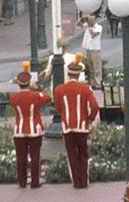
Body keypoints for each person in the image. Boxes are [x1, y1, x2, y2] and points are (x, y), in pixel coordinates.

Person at [53, 56, 99, 188]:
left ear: (68, 74)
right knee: (83, 153)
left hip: (67, 126)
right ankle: (84, 181)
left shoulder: (59, 89)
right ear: (79, 75)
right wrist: (90, 118)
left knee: (71, 154)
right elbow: (95, 106)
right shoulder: (85, 89)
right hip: (82, 126)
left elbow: (57, 107)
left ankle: (76, 182)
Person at [8, 62, 50, 188]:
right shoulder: (35, 95)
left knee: (21, 157)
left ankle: (21, 181)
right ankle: (35, 181)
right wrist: (37, 88)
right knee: (35, 156)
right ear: (29, 83)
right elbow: (47, 97)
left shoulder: (13, 97)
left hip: (19, 129)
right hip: (34, 129)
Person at [80, 16, 103, 87]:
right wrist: (82, 19)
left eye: (91, 20)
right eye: (89, 20)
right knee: (91, 67)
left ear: (94, 20)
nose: (90, 21)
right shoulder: (87, 26)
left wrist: (89, 27)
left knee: (97, 67)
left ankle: (98, 83)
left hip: (95, 49)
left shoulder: (98, 27)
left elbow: (93, 35)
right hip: (88, 48)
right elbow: (77, 24)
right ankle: (92, 83)